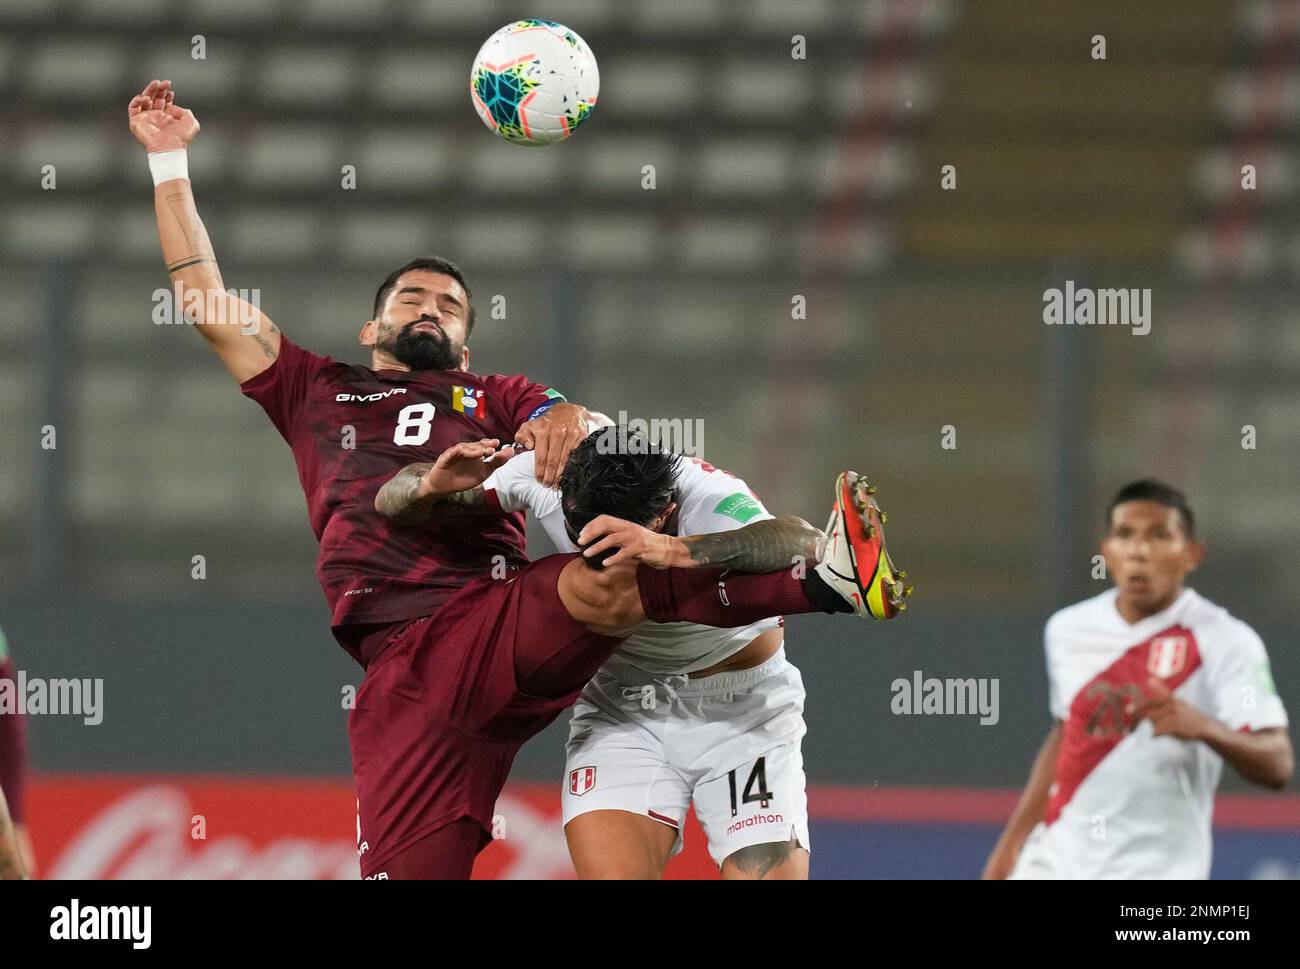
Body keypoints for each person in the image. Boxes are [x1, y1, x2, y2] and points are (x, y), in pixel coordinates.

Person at [131, 80, 909, 879]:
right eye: (411, 297)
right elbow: (202, 295)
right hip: (400, 676)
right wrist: (169, 161)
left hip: (489, 619)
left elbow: (562, 419)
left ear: (466, 345)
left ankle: (827, 583)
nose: (430, 307)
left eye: (450, 304)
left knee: (600, 570)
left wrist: (562, 415)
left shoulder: (493, 396)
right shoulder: (311, 386)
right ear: (373, 328)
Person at [984, 480, 1292, 879]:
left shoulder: (1226, 640)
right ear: (1107, 549)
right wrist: (1008, 851)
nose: (1140, 550)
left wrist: (1205, 728)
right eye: (1125, 534)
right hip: (1054, 864)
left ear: (1192, 554)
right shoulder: (1069, 629)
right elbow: (1067, 734)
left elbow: (1278, 763)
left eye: (1160, 536)